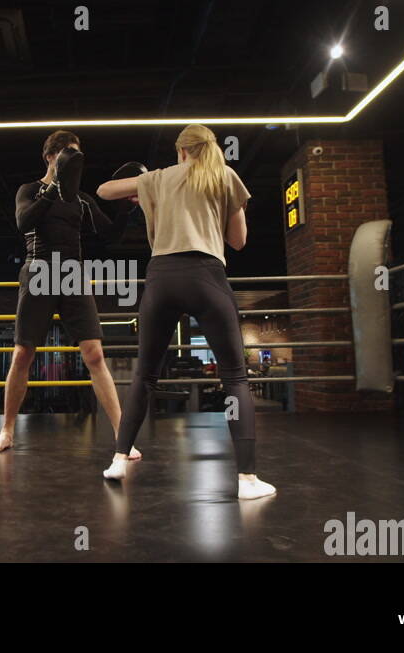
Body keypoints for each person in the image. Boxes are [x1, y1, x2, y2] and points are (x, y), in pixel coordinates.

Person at [96, 124, 275, 500]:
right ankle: (247, 481)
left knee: (144, 375)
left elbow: (103, 190)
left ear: (181, 151)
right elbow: (238, 242)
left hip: (161, 278)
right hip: (206, 276)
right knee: (235, 379)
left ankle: (118, 459)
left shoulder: (159, 178)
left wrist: (141, 188)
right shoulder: (225, 176)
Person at [0, 130, 141, 459]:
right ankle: (7, 431)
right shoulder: (30, 190)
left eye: (77, 157)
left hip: (72, 275)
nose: (73, 163)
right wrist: (55, 187)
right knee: (23, 354)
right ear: (50, 157)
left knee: (95, 355)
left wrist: (127, 208)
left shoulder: (82, 200)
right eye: (67, 155)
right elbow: (23, 221)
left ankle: (122, 436)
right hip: (38, 270)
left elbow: (110, 234)